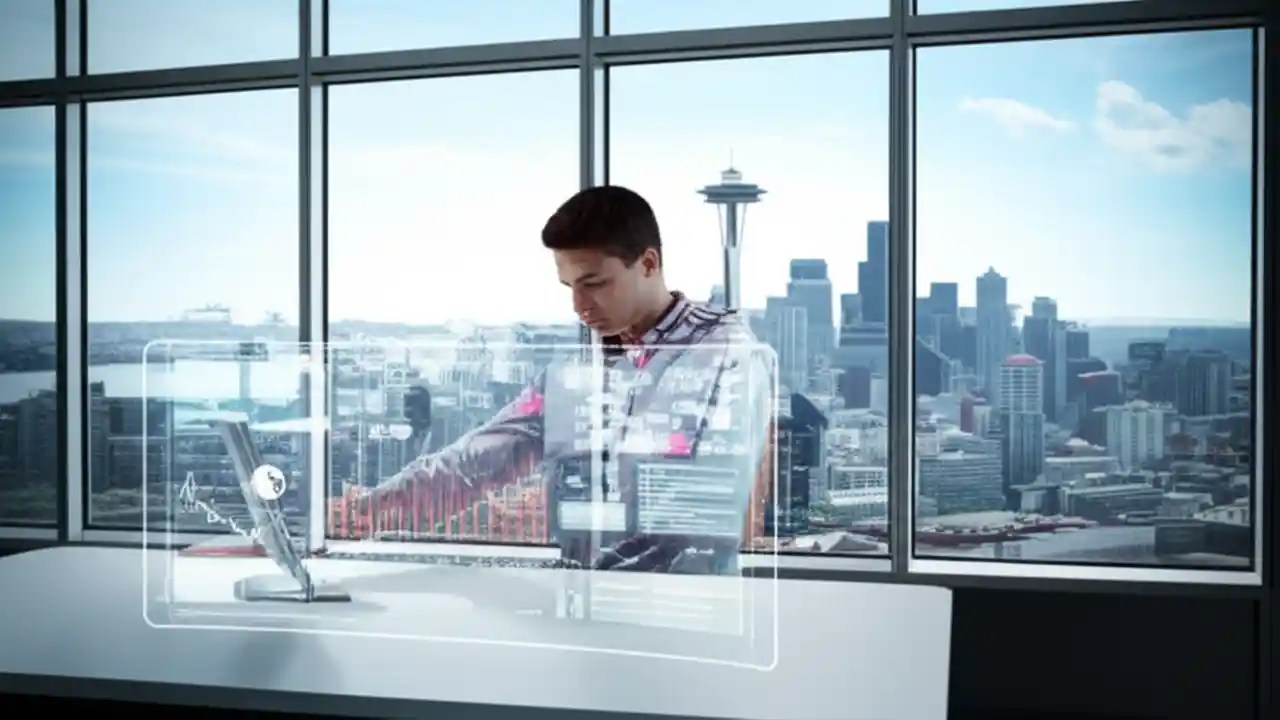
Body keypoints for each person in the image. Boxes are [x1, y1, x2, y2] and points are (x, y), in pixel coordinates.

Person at [332, 185, 775, 571]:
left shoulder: (725, 352)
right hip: (585, 608)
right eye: (569, 288)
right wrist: (370, 511)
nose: (578, 307)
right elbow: (477, 461)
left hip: (687, 619)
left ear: (648, 263)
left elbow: (708, 514)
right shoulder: (579, 371)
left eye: (595, 283)